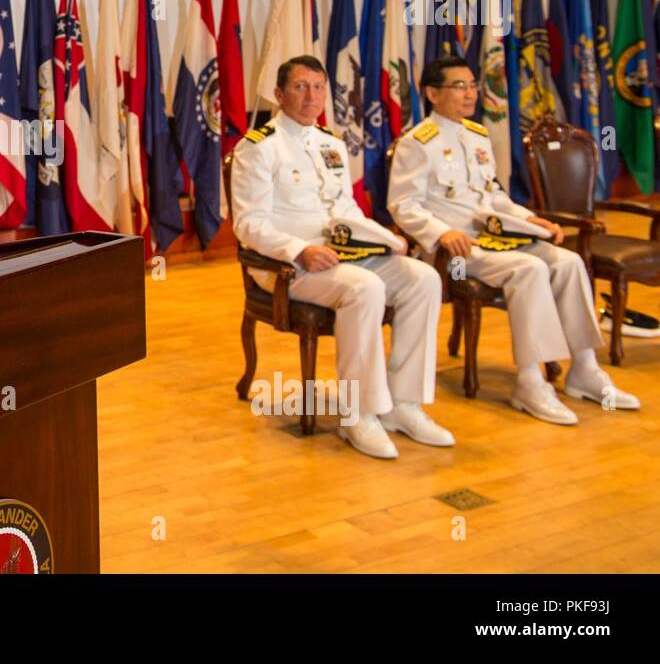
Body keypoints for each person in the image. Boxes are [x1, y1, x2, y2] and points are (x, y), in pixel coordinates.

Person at [387, 55, 640, 425]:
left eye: (472, 85)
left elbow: (494, 196)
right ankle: (530, 381)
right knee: (530, 268)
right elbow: (402, 205)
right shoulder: (417, 141)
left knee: (568, 262)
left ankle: (584, 368)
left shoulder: (476, 136)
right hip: (456, 252)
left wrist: (528, 218)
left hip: (497, 237)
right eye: (459, 86)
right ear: (432, 93)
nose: (470, 93)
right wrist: (442, 232)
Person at [231, 55, 450, 459]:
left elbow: (347, 210)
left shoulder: (331, 144)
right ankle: (358, 414)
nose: (311, 96)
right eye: (300, 86)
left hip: (344, 256)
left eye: (318, 87)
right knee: (365, 288)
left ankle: (403, 404)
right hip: (287, 266)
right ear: (279, 94)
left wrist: (386, 239)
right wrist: (300, 250)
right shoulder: (258, 148)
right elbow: (249, 224)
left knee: (423, 278)